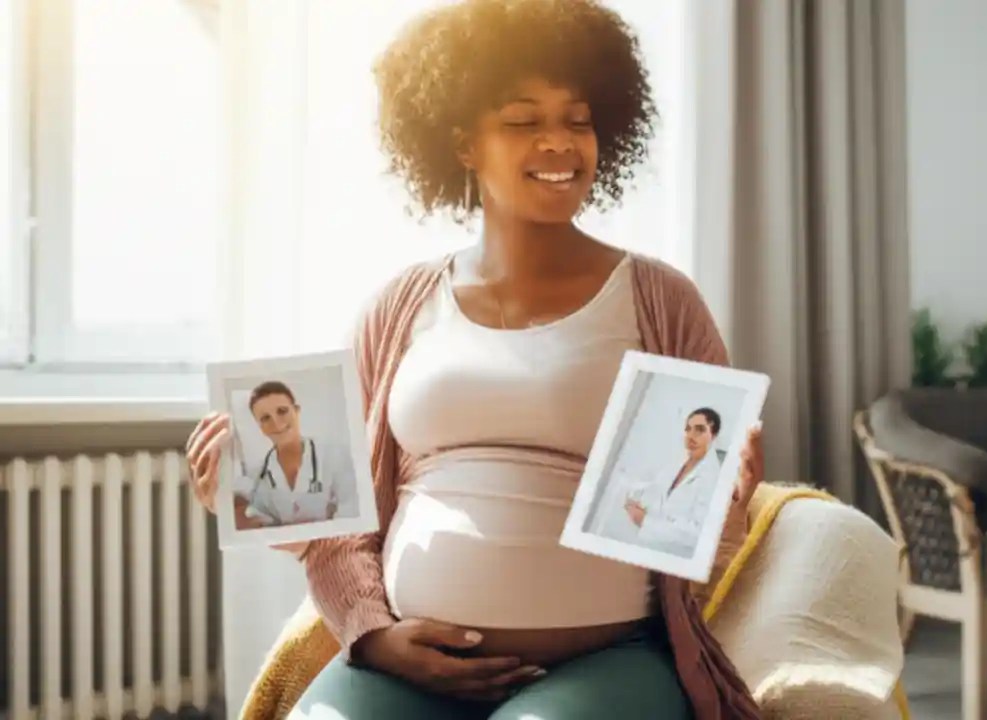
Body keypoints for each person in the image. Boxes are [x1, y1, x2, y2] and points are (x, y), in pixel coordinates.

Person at [183, 1, 765, 718]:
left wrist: (724, 506)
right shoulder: (397, 309)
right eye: (524, 122)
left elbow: (692, 545)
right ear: (461, 143)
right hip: (404, 662)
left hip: (606, 661)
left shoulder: (662, 302)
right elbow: (342, 529)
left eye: (577, 119)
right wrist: (370, 634)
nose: (559, 143)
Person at [230, 381, 357, 529]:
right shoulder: (259, 477)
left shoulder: (334, 455)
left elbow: (351, 513)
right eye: (265, 418)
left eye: (282, 411)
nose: (276, 423)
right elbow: (260, 523)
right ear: (261, 427)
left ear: (296, 411)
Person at [624, 408, 723, 558]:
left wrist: (645, 521)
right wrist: (638, 503)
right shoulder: (678, 462)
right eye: (688, 429)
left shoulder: (714, 478)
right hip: (647, 547)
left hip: (674, 557)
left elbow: (698, 534)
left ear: (714, 436)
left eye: (700, 430)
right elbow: (657, 492)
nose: (690, 436)